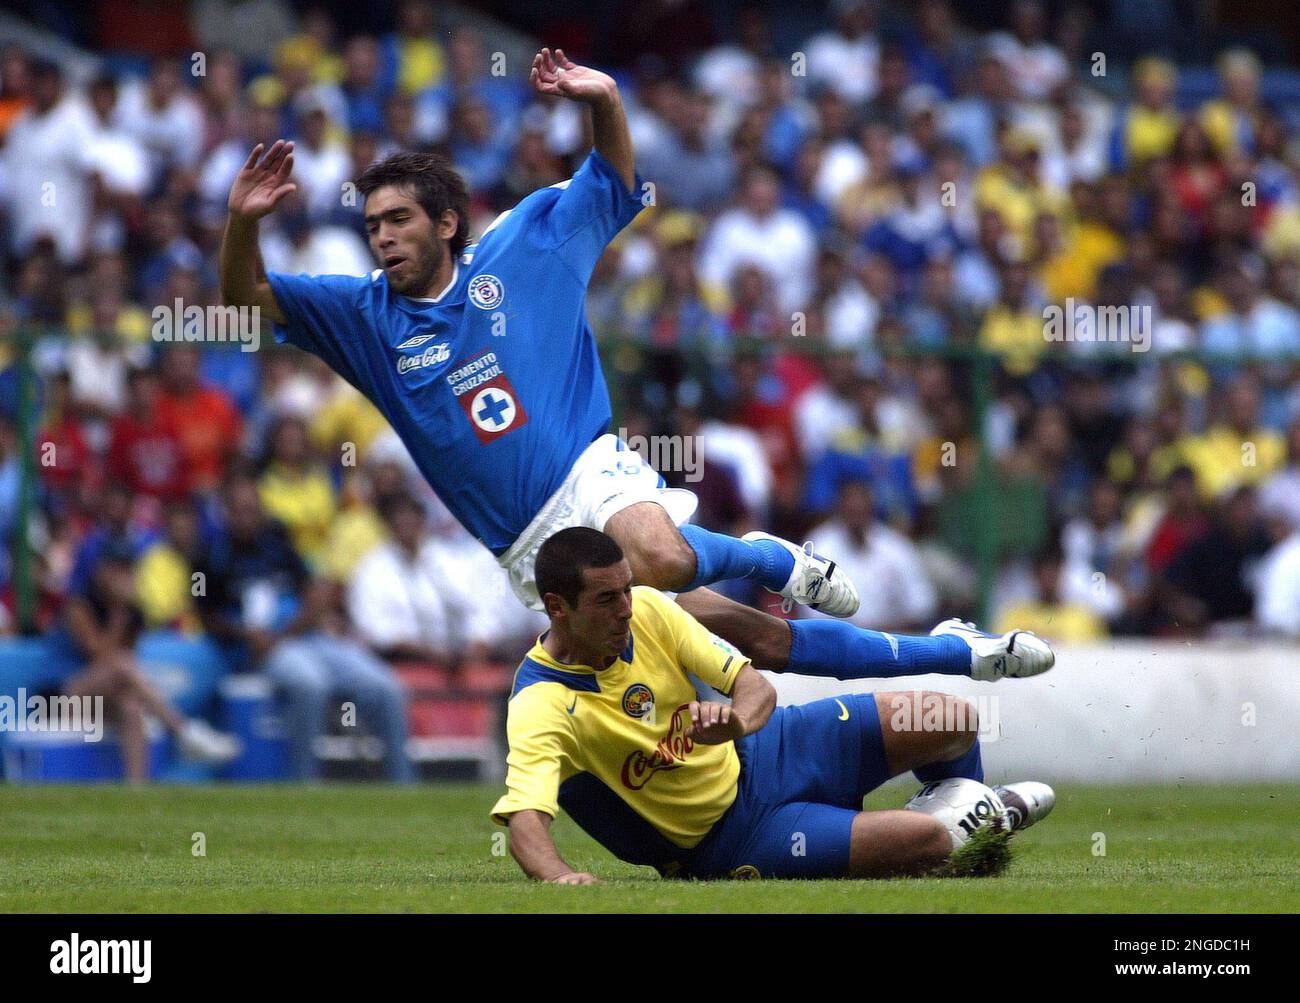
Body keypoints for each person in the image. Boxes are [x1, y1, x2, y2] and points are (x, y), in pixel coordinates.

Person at [220, 46, 1055, 687]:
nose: (383, 237)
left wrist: (606, 100)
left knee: (654, 556)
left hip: (592, 472)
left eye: (399, 220)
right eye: (372, 226)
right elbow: (247, 296)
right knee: (752, 639)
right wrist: (242, 223)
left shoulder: (524, 242)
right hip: (528, 548)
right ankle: (954, 652)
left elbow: (615, 177)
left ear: (447, 222)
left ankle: (771, 558)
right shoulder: (363, 314)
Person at [491, 528, 1055, 882]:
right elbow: (524, 821)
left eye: (628, 590)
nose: (625, 609)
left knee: (951, 719)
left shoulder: (650, 613)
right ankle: (980, 825)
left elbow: (755, 686)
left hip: (772, 746)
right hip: (735, 837)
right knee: (929, 841)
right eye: (607, 599)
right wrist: (561, 878)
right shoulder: (542, 703)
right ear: (557, 608)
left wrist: (734, 720)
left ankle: (967, 815)